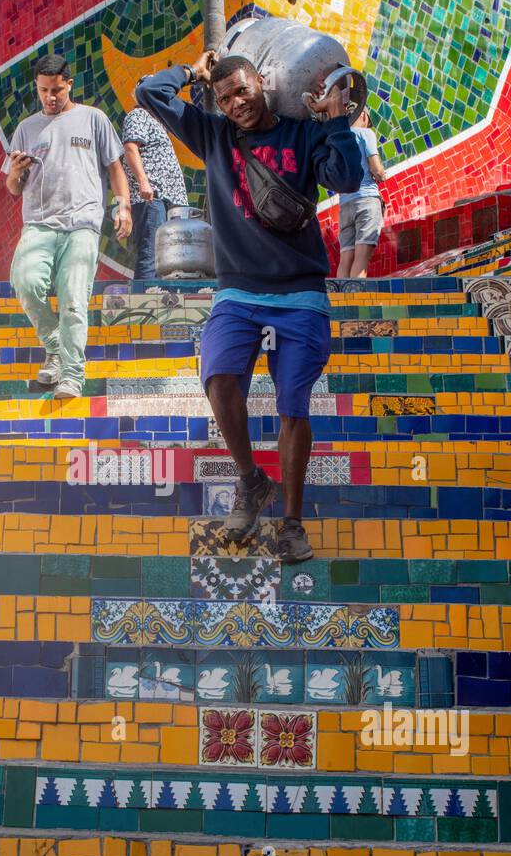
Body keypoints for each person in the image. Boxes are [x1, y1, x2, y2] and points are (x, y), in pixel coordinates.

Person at [136, 50, 362, 562]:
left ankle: (292, 523)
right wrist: (193, 71)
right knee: (217, 377)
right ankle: (250, 479)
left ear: (262, 81)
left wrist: (337, 118)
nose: (235, 103)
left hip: (300, 291)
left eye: (242, 90)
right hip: (237, 291)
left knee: (292, 406)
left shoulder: (304, 134)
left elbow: (347, 179)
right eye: (224, 98)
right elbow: (148, 94)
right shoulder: (213, 135)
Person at [2, 53, 132, 399]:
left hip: (82, 224)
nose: (51, 97)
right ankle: (56, 346)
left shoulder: (94, 119)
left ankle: (72, 373)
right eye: (44, 90)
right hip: (39, 224)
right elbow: (14, 188)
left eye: (57, 89)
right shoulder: (26, 129)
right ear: (36, 86)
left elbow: (115, 167)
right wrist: (15, 173)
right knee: (25, 282)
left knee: (74, 299)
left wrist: (123, 206)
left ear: (69, 84)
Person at [121, 94, 188, 279]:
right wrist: (144, 182)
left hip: (167, 199)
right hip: (152, 196)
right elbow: (130, 148)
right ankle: (145, 302)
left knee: (166, 257)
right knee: (151, 253)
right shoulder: (139, 115)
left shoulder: (158, 121)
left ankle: (159, 300)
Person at [337, 108, 387, 279]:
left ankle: (341, 303)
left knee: (345, 259)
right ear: (364, 115)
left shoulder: (339, 137)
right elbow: (376, 169)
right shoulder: (365, 134)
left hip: (345, 204)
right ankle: (356, 303)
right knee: (361, 260)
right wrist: (381, 175)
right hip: (366, 199)